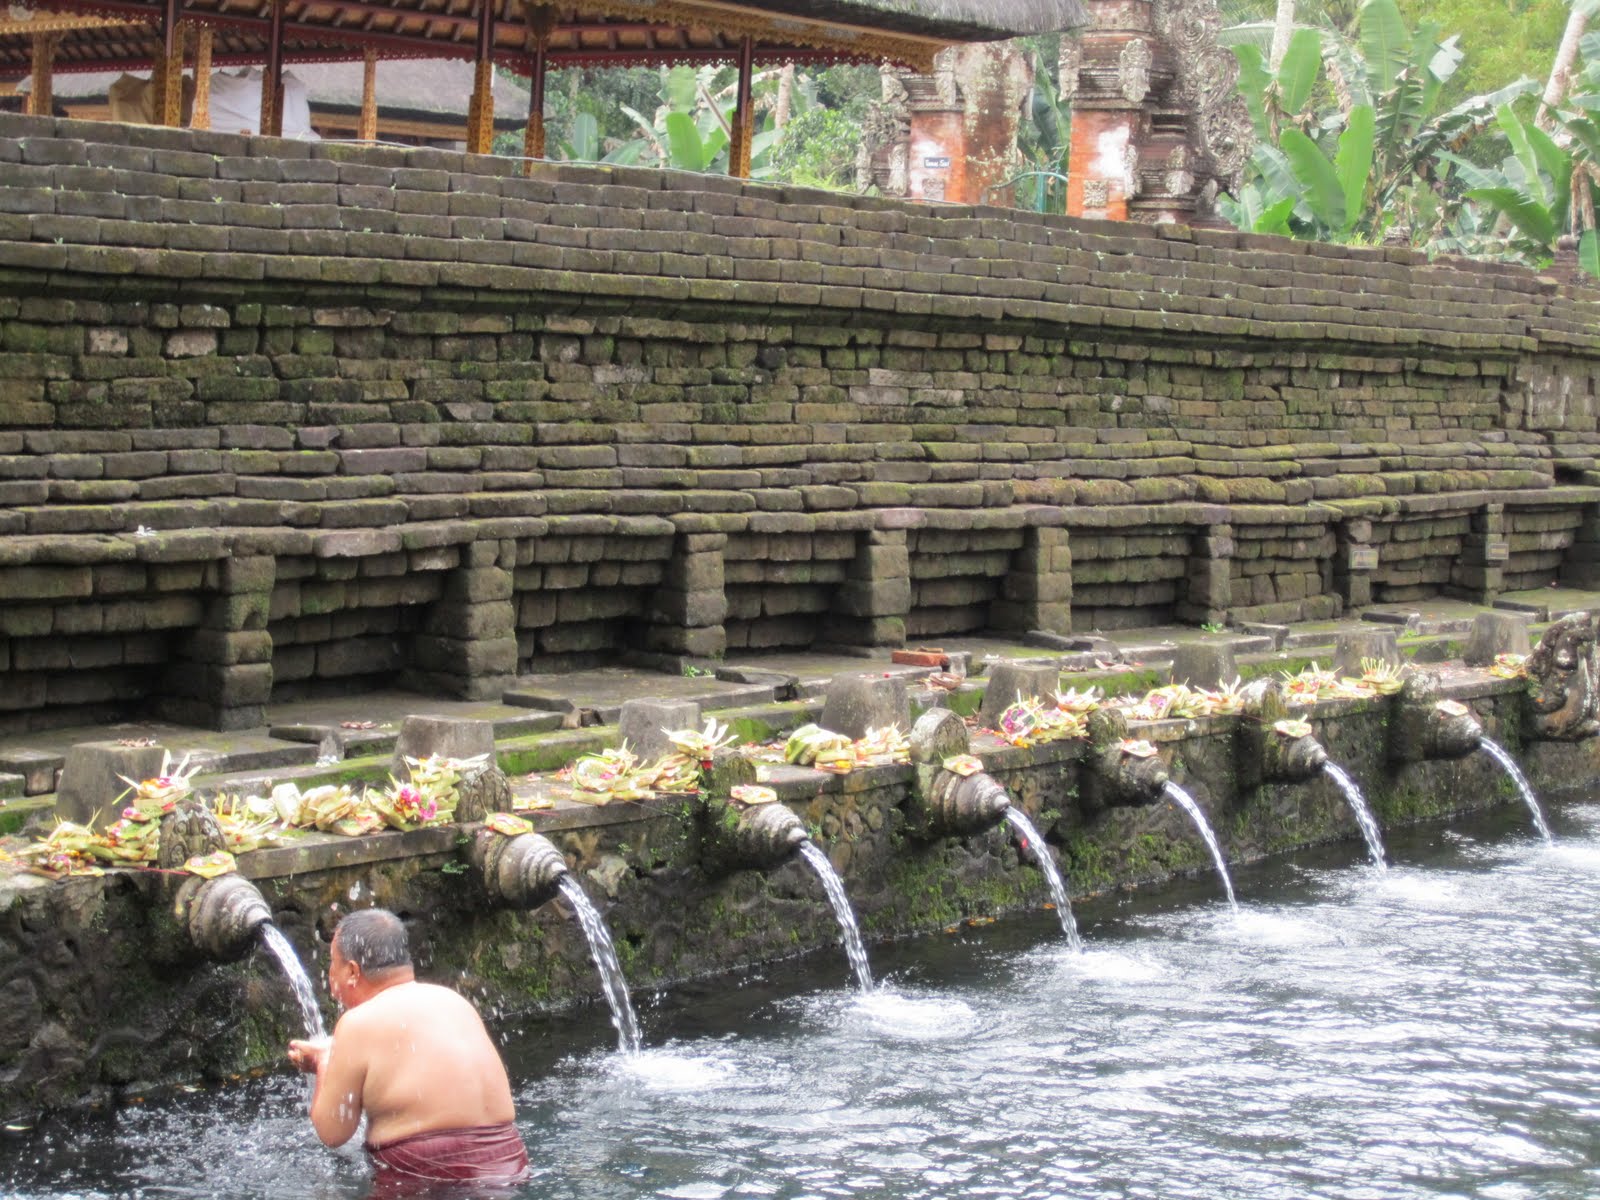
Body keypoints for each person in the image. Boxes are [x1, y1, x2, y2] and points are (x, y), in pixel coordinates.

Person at [287, 909, 529, 1192]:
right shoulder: (454, 1001)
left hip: (428, 1174)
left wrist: (325, 1058)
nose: (330, 979)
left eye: (332, 964)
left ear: (352, 971)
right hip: (508, 1163)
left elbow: (333, 1131)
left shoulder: (357, 1022)